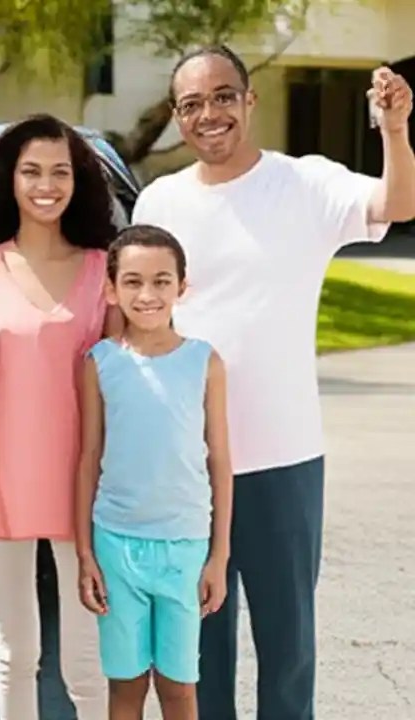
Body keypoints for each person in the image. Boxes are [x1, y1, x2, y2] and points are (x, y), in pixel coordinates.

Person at [131, 45, 415, 719]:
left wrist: (394, 133)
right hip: (186, 464)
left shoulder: (304, 183)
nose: (210, 115)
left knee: (287, 648)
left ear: (249, 100)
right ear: (177, 116)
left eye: (223, 96)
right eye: (193, 104)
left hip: (283, 458)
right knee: (198, 649)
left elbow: (396, 203)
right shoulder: (159, 199)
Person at [0, 113, 120, 720]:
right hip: (0, 487)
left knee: (85, 659)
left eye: (60, 171)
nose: (46, 185)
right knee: (16, 652)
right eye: (31, 172)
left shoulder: (105, 271)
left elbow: (125, 381)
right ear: (8, 180)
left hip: (85, 489)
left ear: (79, 180)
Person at [74, 225, 235, 720]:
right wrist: (85, 554)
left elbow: (220, 459)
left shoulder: (203, 362)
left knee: (179, 688)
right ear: (111, 288)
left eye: (162, 281)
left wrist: (218, 557)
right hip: (116, 545)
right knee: (125, 687)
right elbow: (88, 458)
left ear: (182, 286)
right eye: (134, 282)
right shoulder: (99, 363)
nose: (148, 295)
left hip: (185, 547)